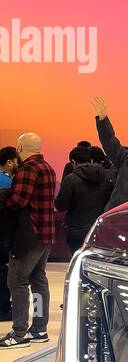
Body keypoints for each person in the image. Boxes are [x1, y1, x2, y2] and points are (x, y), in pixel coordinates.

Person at [1, 132, 56, 348]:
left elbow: (18, 200)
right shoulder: (48, 167)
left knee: (17, 280)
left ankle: (19, 333)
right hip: (46, 235)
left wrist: (4, 198)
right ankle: (39, 329)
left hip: (28, 235)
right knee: (38, 279)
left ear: (20, 147)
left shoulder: (28, 168)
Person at [55, 144, 113, 255]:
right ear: (90, 160)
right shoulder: (108, 176)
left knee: (78, 263)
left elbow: (60, 205)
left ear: (73, 162)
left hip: (77, 229)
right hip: (100, 228)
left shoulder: (71, 179)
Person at [0, 146, 21, 322]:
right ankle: (4, 308)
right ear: (9, 162)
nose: (17, 164)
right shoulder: (6, 183)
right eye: (16, 161)